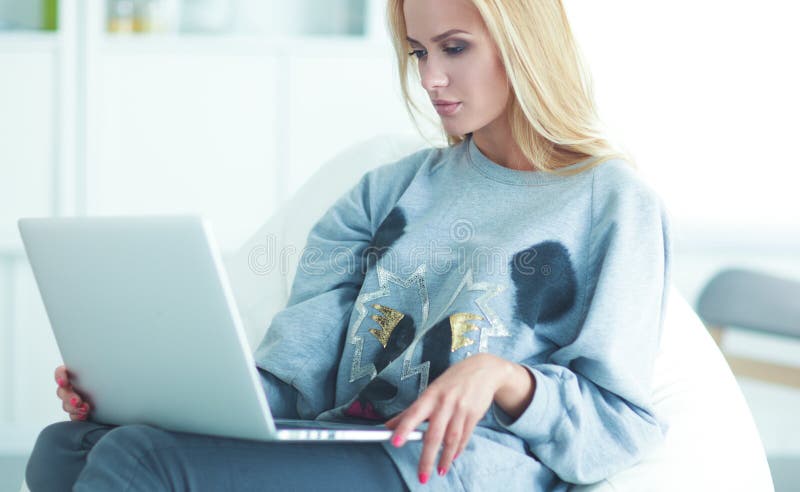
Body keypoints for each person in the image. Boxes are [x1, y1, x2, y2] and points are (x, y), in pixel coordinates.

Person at [26, 0, 672, 490]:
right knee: (66, 447)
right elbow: (296, 375)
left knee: (135, 462)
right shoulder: (388, 191)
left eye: (454, 48)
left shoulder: (608, 202)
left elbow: (620, 424)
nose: (432, 79)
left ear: (523, 45)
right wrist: (149, 392)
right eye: (419, 52)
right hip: (342, 437)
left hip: (450, 467)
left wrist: (506, 378)